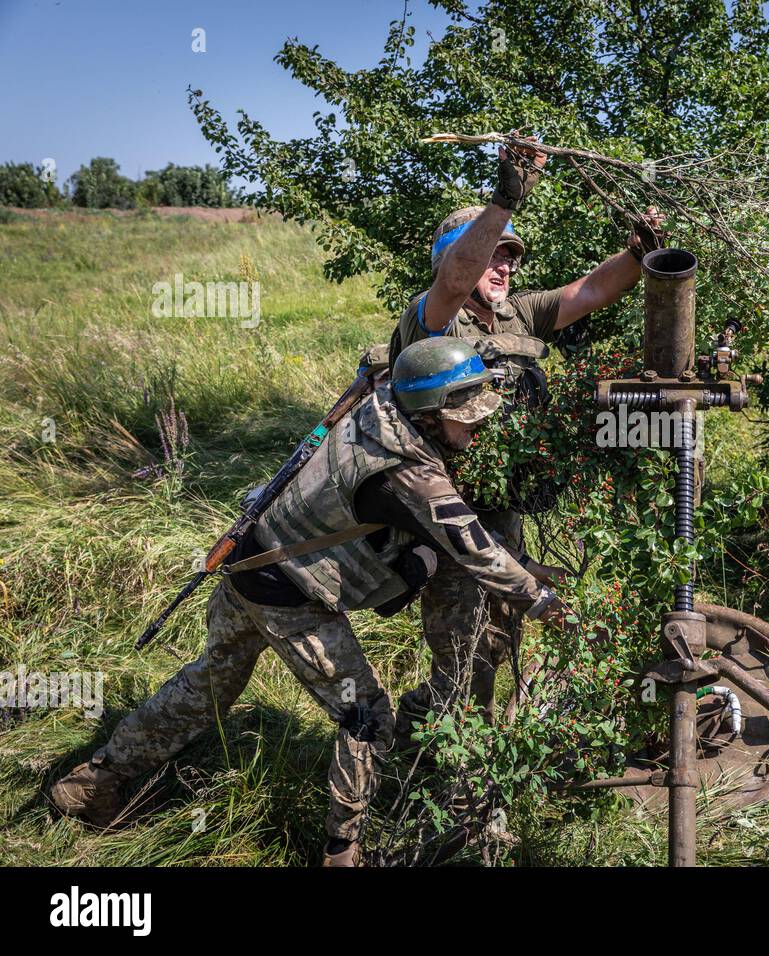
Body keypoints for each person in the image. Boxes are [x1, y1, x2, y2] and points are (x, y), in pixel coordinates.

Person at [49, 337, 576, 867]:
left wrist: (524, 567)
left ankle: (93, 783)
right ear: (432, 417)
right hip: (289, 592)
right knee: (366, 717)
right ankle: (341, 850)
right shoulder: (407, 473)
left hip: (250, 559)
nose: (478, 425)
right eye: (465, 416)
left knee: (209, 683)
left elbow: (457, 530)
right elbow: (469, 545)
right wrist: (540, 599)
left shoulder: (385, 400)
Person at [391, 137, 665, 732]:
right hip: (449, 509)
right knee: (462, 648)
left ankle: (429, 720)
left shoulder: (520, 312)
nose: (504, 265)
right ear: (453, 258)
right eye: (493, 254)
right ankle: (454, 780)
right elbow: (456, 278)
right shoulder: (433, 315)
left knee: (499, 636)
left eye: (511, 257)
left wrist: (636, 253)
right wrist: (506, 199)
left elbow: (586, 293)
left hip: (504, 506)